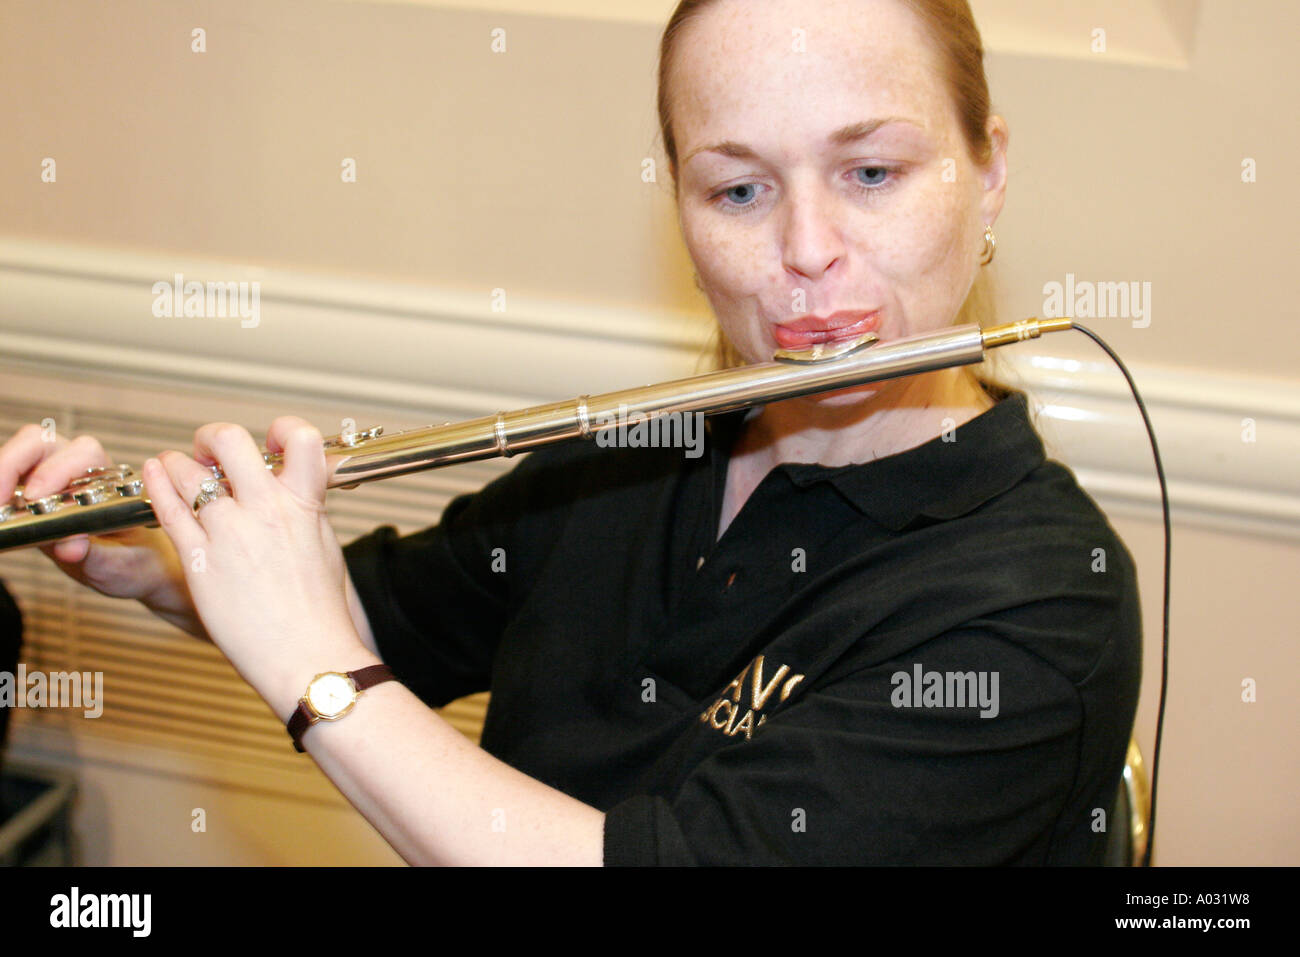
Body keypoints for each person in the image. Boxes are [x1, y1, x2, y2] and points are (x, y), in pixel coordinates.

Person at [0, 0, 1140, 865]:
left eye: (871, 171)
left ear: (987, 171)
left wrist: (315, 674)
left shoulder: (1042, 602)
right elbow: (395, 614)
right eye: (737, 190)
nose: (804, 249)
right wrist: (157, 566)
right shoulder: (639, 455)